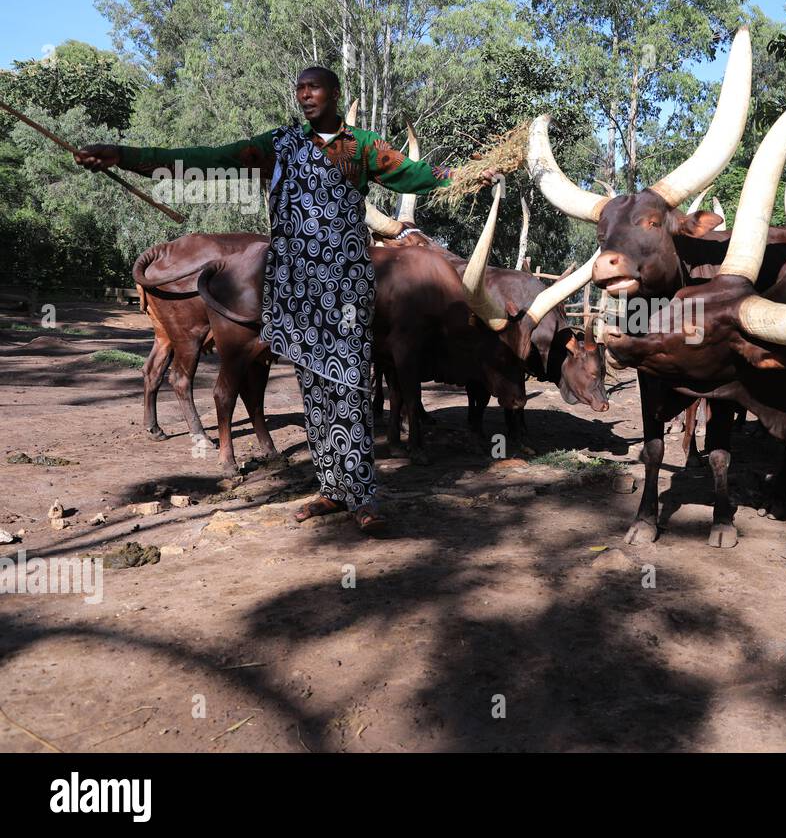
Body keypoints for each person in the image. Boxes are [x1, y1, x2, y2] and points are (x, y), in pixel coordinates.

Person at [74, 66, 498, 533]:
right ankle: (332, 489)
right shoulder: (278, 145)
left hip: (346, 288)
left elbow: (415, 175)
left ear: (335, 93)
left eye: (313, 87)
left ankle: (363, 494)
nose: (304, 95)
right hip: (295, 287)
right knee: (316, 390)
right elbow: (202, 158)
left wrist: (468, 176)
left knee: (351, 387)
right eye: (299, 88)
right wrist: (123, 155)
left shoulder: (362, 146)